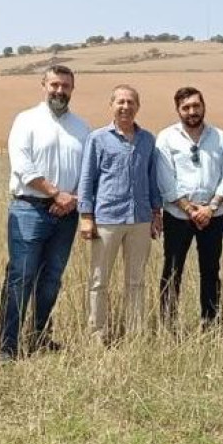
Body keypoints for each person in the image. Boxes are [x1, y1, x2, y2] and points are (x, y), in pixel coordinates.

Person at [0, 65, 90, 361]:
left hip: (67, 214)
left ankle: (39, 337)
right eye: (54, 85)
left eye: (65, 86)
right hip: (29, 209)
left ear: (72, 89)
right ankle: (8, 345)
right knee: (22, 277)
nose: (59, 91)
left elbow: (87, 172)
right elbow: (22, 166)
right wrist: (55, 193)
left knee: (52, 278)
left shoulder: (82, 128)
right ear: (44, 86)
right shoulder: (26, 120)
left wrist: (71, 199)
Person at [78, 85, 163, 343]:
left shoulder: (147, 139)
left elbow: (152, 178)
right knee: (99, 280)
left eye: (131, 102)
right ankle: (97, 334)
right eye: (121, 102)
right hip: (107, 218)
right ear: (111, 105)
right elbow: (87, 178)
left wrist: (156, 213)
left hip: (140, 219)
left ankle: (136, 334)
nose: (126, 107)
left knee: (136, 281)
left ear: (138, 106)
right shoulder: (97, 138)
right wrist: (86, 215)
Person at [154, 87, 223, 330]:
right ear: (178, 110)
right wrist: (189, 209)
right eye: (186, 107)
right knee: (172, 269)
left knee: (210, 269)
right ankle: (168, 325)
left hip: (213, 215)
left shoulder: (219, 137)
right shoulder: (166, 137)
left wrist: (211, 208)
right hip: (178, 215)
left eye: (196, 106)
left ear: (203, 106)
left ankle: (210, 322)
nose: (192, 111)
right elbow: (165, 179)